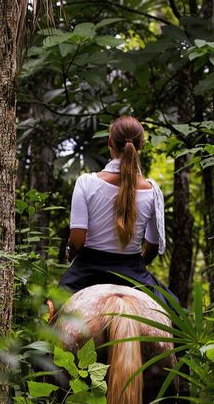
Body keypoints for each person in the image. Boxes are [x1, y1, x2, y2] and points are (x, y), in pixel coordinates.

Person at [58, 115, 172, 307]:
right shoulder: (152, 191)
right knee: (174, 312)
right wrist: (134, 265)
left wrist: (70, 252)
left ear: (109, 141)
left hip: (87, 270)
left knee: (51, 312)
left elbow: (78, 240)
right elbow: (151, 247)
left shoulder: (86, 182)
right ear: (141, 144)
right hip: (133, 270)